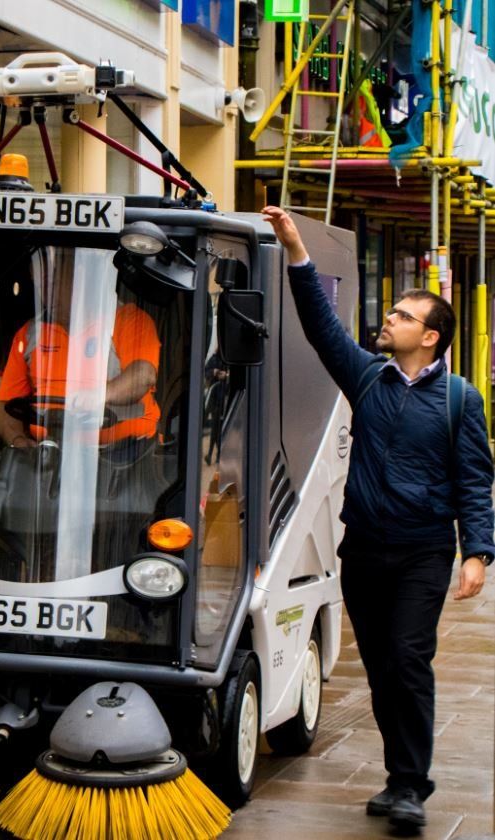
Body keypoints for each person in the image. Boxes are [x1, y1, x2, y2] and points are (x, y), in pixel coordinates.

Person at [262, 206, 494, 831]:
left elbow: (475, 479)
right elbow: (319, 327)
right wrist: (294, 250)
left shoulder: (458, 399)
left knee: (409, 660)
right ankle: (401, 775)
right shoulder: (367, 378)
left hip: (423, 552)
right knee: (383, 668)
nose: (387, 320)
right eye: (391, 313)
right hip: (362, 550)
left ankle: (410, 784)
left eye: (402, 316)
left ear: (431, 337)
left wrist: (477, 551)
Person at [0, 254, 160, 450]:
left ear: (81, 276)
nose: (47, 292)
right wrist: (18, 441)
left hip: (126, 457)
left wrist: (102, 395)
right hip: (49, 453)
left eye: (54, 282)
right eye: (40, 284)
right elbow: (6, 401)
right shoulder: (29, 335)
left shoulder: (127, 321)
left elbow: (143, 375)